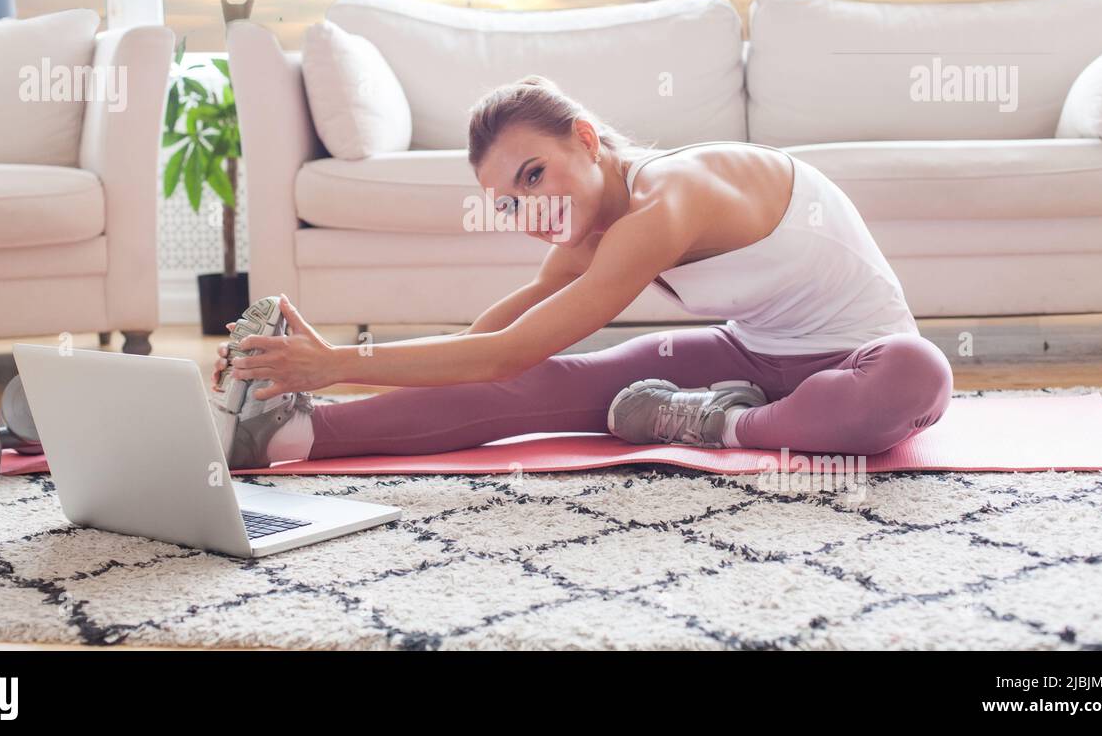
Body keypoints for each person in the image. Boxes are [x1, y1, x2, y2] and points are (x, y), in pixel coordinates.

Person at [211, 74, 953, 468]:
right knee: (550, 381)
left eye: (533, 175)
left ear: (587, 139)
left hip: (862, 363)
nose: (529, 209)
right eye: (507, 203)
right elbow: (493, 343)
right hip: (752, 355)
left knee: (918, 375)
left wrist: (337, 360)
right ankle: (294, 437)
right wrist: (305, 373)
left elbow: (505, 351)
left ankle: (711, 423)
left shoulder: (669, 201)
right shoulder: (591, 223)